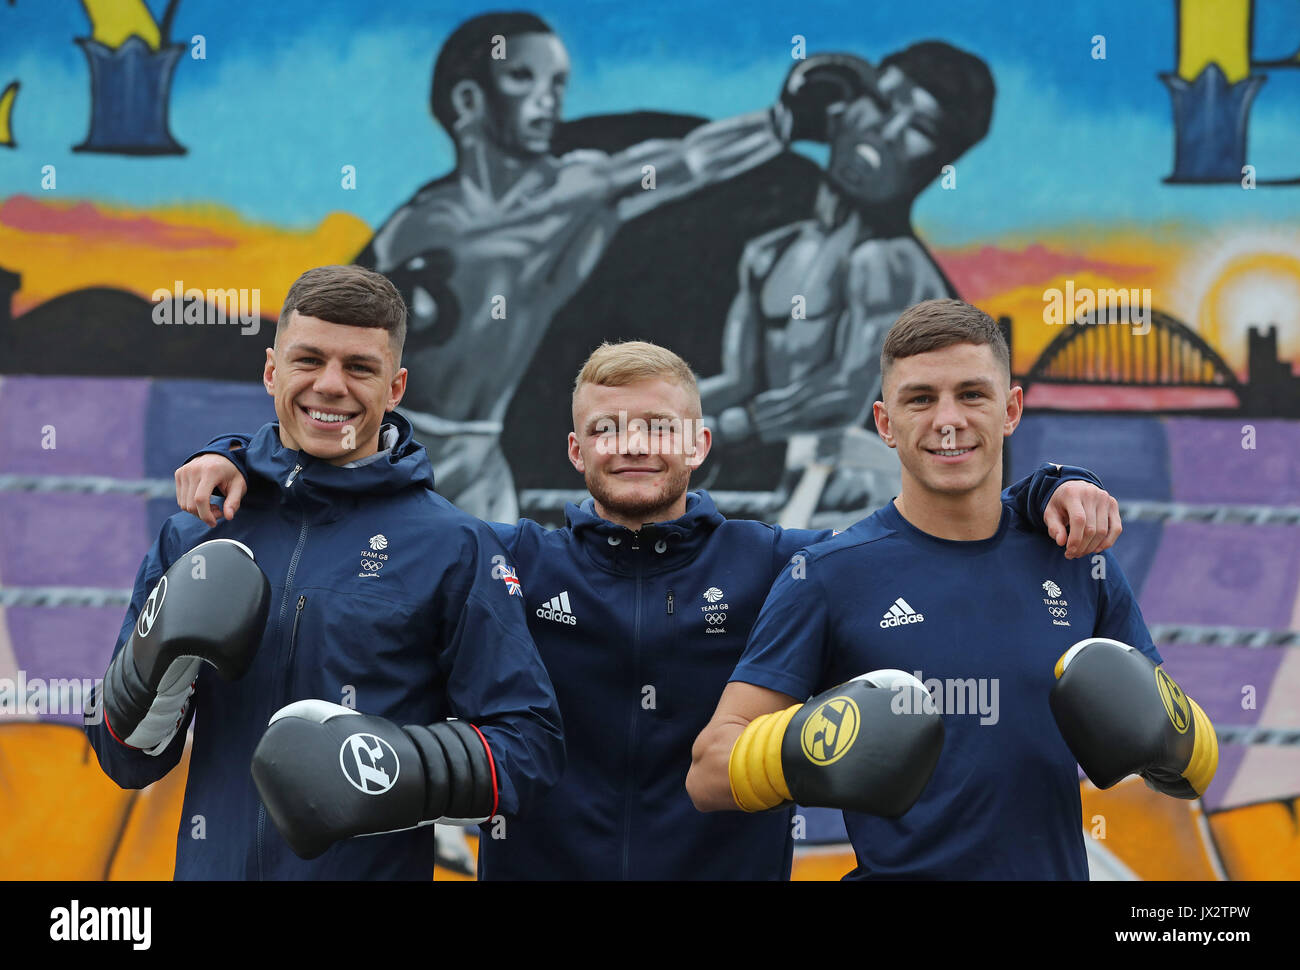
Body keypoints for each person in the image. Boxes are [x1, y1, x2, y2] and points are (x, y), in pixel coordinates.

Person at [176, 339, 1122, 880]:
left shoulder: (787, 565)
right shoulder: (503, 557)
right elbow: (371, 503)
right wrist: (245, 457)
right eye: (610, 429)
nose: (636, 445)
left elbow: (919, 533)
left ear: (700, 443)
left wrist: (1043, 486)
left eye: (658, 426)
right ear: (576, 449)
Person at [686, 299, 1217, 879]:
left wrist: (1174, 737)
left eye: (972, 394)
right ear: (885, 423)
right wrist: (804, 747)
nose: (948, 420)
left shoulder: (1077, 560)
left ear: (1010, 409)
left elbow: (1189, 769)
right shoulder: (828, 576)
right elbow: (709, 771)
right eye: (920, 399)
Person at [85, 264, 564, 880]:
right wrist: (156, 665)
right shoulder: (200, 530)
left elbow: (529, 745)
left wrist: (395, 767)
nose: (330, 385)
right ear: (271, 371)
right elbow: (124, 759)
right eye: (308, 360)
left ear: (395, 387)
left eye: (360, 367)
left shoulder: (454, 547)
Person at [357, 11, 802, 520]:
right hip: (388, 443)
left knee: (490, 593)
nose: (549, 98)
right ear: (468, 100)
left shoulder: (573, 195)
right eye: (523, 77)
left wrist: (780, 123)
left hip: (477, 460)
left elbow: (690, 160)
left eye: (558, 82)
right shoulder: (415, 226)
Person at [701, 44, 995, 528]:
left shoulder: (890, 263)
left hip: (873, 505)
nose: (887, 131)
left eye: (919, 129)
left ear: (940, 162)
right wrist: (657, 410)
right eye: (882, 103)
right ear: (842, 106)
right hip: (799, 494)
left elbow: (845, 396)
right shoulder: (769, 253)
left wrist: (726, 428)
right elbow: (738, 382)